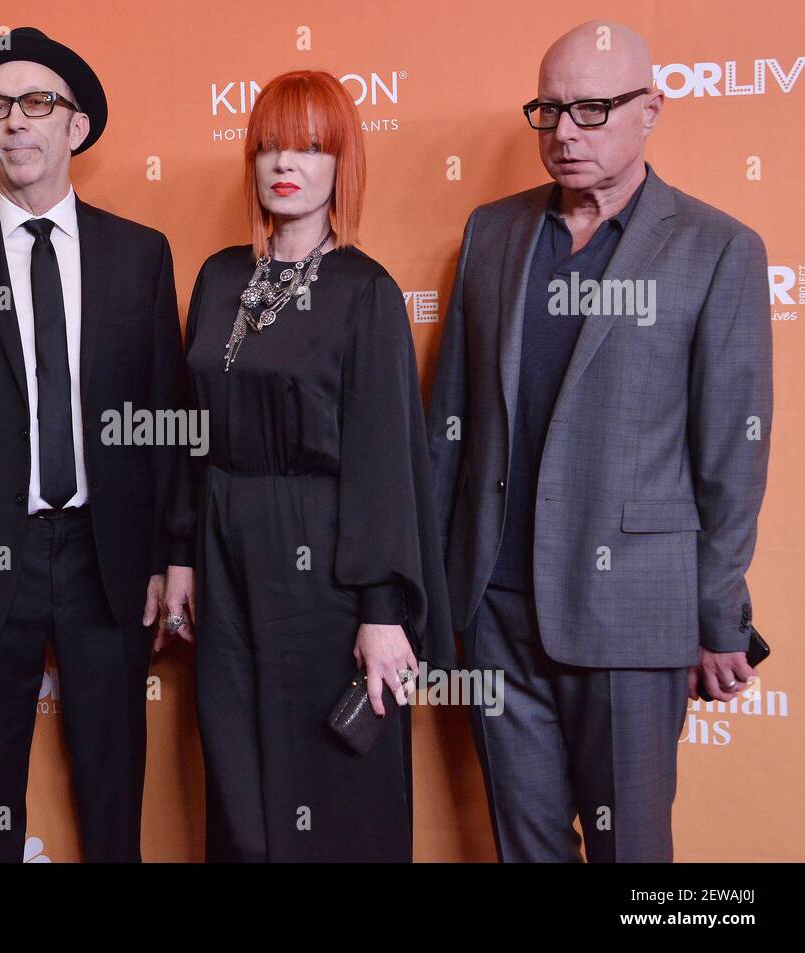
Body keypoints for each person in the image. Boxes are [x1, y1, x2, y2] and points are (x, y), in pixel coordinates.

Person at [427, 21, 773, 862]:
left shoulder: (717, 248)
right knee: (526, 847)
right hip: (497, 612)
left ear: (651, 109)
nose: (565, 132)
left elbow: (732, 454)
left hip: (632, 618)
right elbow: (449, 427)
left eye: (592, 109)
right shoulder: (492, 233)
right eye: (549, 110)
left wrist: (718, 619)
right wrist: (435, 596)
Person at [0, 27, 185, 862]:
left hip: (107, 556)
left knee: (114, 785)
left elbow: (166, 422)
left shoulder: (140, 255)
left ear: (75, 127)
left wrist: (172, 554)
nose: (16, 122)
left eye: (37, 103)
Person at [161, 70, 455, 862]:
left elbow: (386, 462)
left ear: (340, 165)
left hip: (325, 562)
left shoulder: (367, 291)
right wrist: (181, 552)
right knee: (237, 774)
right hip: (226, 552)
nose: (285, 162)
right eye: (268, 145)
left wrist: (383, 609)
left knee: (328, 786)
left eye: (310, 146)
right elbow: (194, 431)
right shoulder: (220, 277)